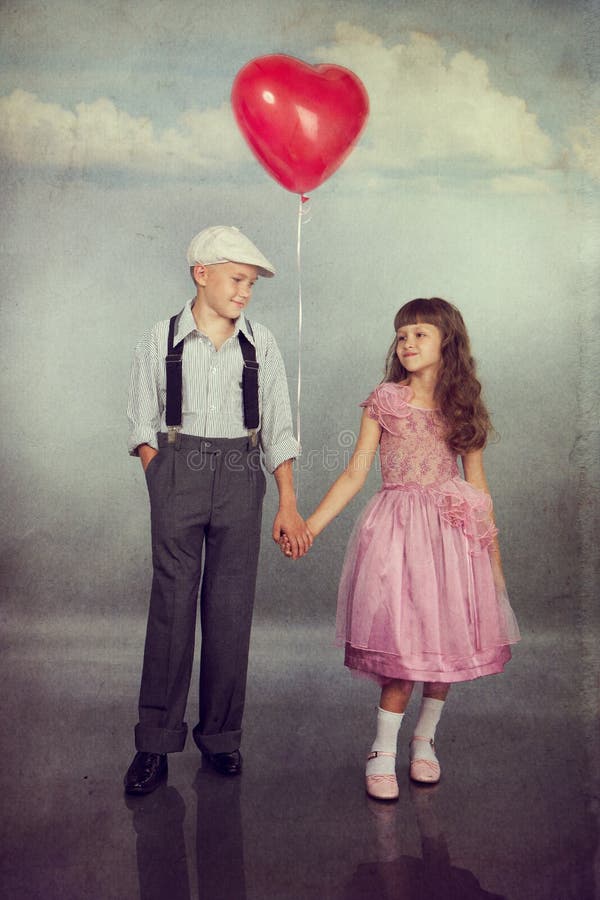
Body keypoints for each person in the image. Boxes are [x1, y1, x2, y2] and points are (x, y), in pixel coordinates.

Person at [281, 298, 520, 800]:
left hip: (451, 540)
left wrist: (492, 563)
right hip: (397, 536)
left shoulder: (462, 409)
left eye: (420, 334)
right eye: (402, 335)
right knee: (404, 650)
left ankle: (425, 741)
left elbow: (478, 489)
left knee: (445, 644)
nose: (408, 343)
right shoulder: (386, 401)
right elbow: (354, 474)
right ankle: (381, 750)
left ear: (447, 343)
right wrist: (311, 527)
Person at [125, 225, 312, 795]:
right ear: (200, 275)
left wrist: (288, 500)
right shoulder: (161, 339)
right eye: (236, 279)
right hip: (179, 467)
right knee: (172, 610)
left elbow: (278, 425)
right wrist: (160, 473)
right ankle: (154, 743)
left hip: (241, 472)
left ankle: (222, 738)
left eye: (251, 283)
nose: (244, 292)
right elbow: (141, 418)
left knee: (230, 611)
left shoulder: (261, 343)